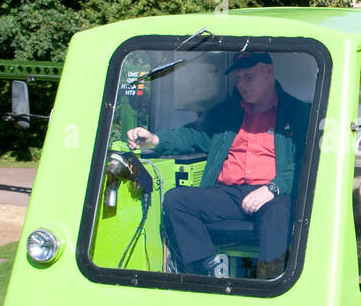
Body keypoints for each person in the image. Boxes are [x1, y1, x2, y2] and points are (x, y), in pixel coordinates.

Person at [126, 52, 309, 279]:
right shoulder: (228, 112)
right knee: (176, 200)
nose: (241, 84)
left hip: (270, 194)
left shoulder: (299, 113)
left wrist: (274, 188)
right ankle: (205, 271)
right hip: (228, 194)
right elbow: (193, 134)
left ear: (269, 72)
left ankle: (269, 281)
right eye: (238, 77)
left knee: (280, 211)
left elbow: (307, 162)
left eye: (248, 76)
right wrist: (154, 140)